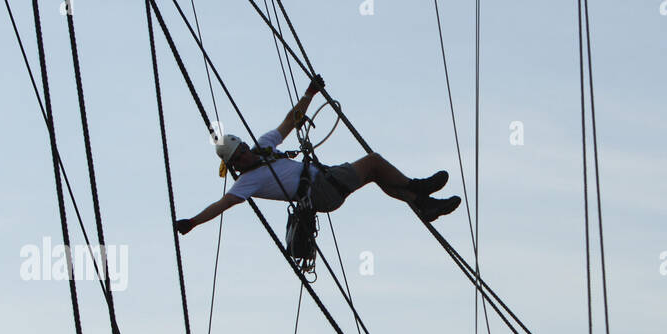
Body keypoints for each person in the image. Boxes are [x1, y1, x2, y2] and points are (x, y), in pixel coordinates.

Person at [175, 75, 460, 235]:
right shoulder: (247, 183)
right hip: (319, 191)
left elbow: (290, 121)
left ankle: (424, 204)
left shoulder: (264, 147)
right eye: (238, 158)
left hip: (323, 179)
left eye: (243, 151)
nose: (244, 157)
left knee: (374, 174)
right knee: (373, 162)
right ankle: (417, 188)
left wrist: (309, 94)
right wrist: (193, 222)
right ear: (234, 166)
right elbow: (220, 205)